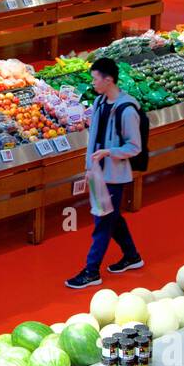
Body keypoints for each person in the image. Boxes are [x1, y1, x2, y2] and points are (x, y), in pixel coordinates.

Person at [66, 57, 145, 289]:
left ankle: (92, 271)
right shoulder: (100, 102)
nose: (92, 83)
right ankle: (132, 256)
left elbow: (134, 147)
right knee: (112, 218)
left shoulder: (127, 110)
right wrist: (89, 166)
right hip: (97, 173)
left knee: (102, 222)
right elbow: (93, 136)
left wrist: (108, 152)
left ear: (108, 79)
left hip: (113, 175)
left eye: (95, 79)